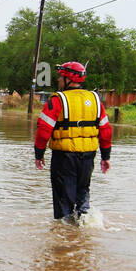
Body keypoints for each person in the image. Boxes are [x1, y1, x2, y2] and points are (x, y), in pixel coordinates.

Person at [33, 61, 113, 220]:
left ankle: (65, 237)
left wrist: (39, 154)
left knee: (64, 199)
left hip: (64, 158)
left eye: (60, 77)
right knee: (82, 194)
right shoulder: (95, 99)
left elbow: (43, 130)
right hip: (88, 156)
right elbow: (106, 130)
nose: (58, 80)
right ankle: (83, 228)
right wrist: (105, 157)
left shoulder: (58, 99)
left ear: (67, 79)